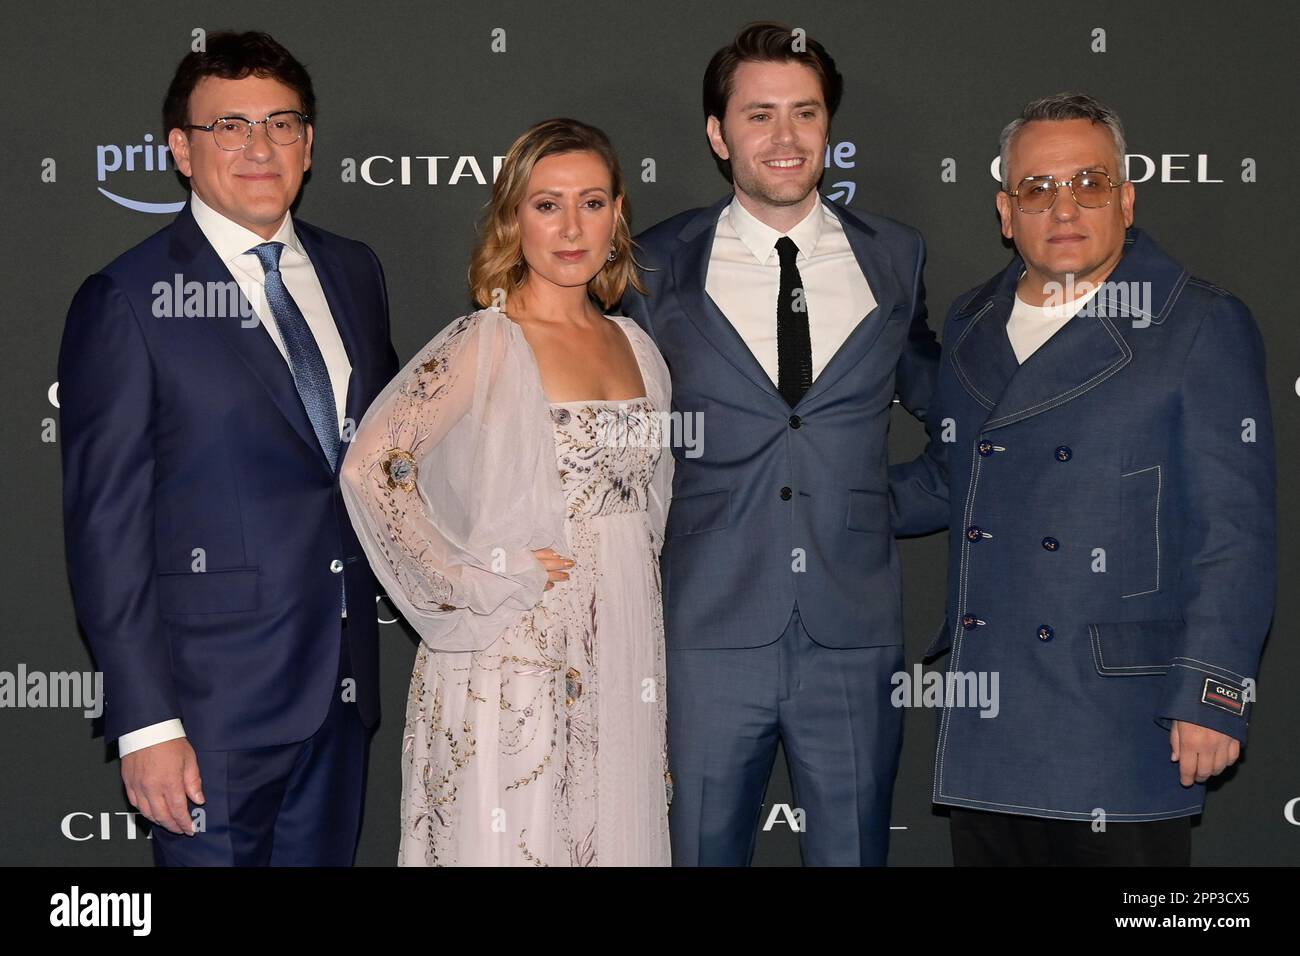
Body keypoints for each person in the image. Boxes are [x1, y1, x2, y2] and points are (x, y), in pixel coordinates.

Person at [58, 31, 399, 866]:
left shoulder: (354, 271)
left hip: (341, 694)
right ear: (180, 149)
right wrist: (145, 723)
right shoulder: (127, 299)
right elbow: (106, 532)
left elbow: (377, 467)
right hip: (209, 716)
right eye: (229, 127)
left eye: (282, 124)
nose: (259, 146)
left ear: (309, 144)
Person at [912, 93, 1275, 865]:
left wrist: (1213, 695)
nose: (1064, 206)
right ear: (1007, 210)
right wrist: (804, 498)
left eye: (1090, 183)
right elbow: (952, 482)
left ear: (1126, 197)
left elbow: (1235, 535)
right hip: (993, 712)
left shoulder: (1198, 322)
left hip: (1121, 717)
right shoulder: (974, 319)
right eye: (1038, 189)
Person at [620, 22, 942, 866]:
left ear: (830, 127)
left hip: (854, 627)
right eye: (759, 114)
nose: (786, 137)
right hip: (704, 629)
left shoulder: (896, 256)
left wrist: (870, 505)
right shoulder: (654, 265)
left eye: (805, 112)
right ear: (719, 135)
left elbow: (948, 410)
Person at [341, 118, 673, 866]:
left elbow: (646, 522)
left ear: (618, 214)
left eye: (591, 203)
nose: (570, 228)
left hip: (623, 644)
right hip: (516, 648)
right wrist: (470, 578)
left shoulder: (639, 348)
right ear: (511, 217)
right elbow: (373, 467)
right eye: (546, 204)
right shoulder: (486, 341)